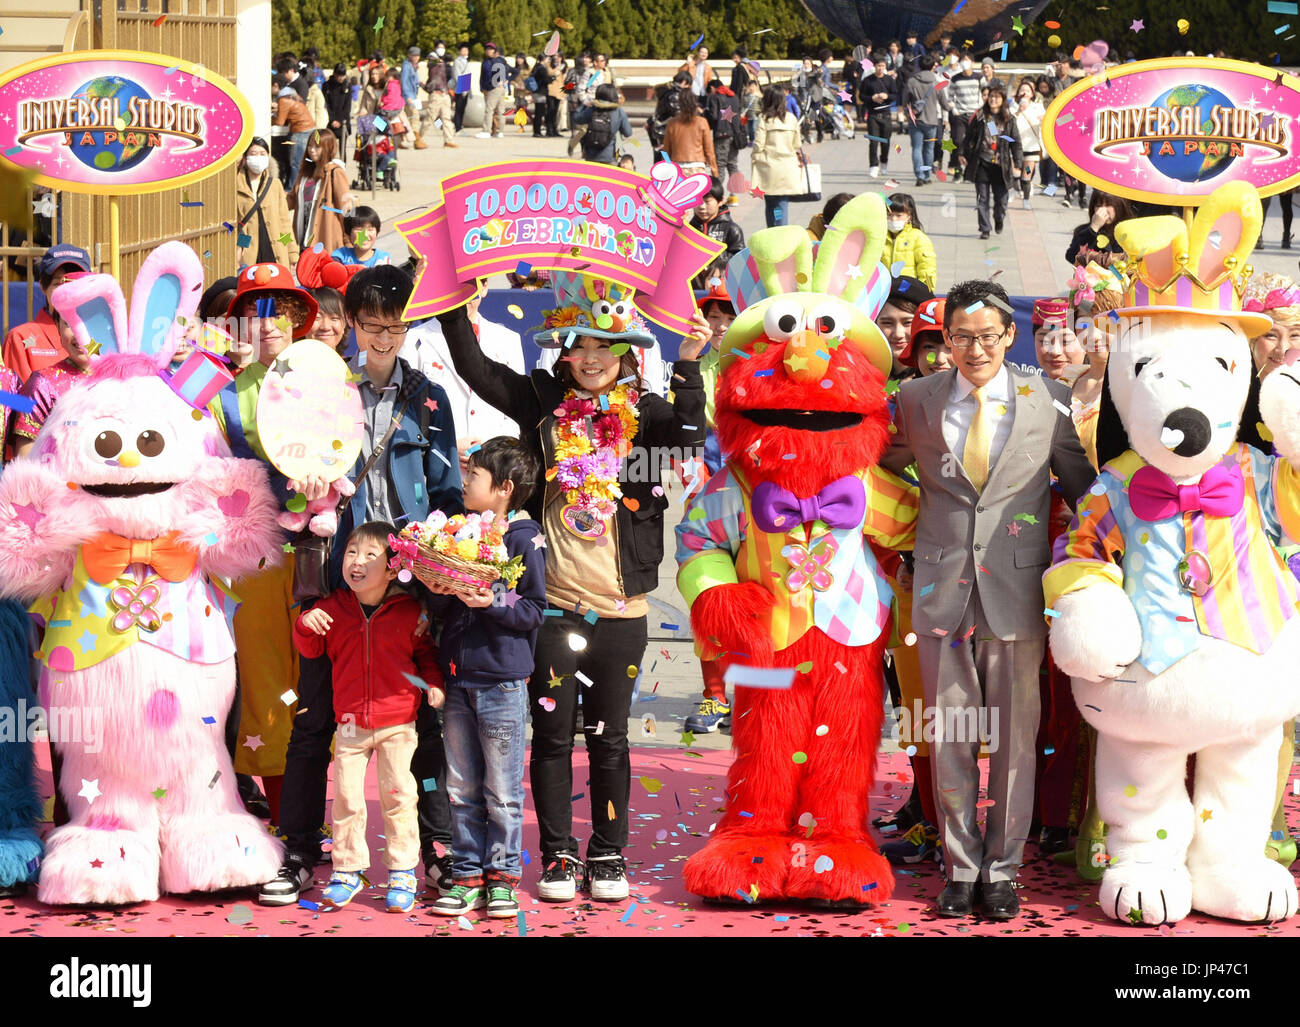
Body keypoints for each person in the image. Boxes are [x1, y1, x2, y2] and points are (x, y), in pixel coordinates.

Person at [435, 274, 708, 903]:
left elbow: (691, 440)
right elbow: (478, 371)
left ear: (627, 354)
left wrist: (690, 367)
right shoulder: (542, 404)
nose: (591, 359)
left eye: (606, 347)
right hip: (556, 610)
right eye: (580, 346)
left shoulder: (648, 416)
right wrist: (454, 308)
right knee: (552, 737)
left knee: (610, 739)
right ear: (565, 351)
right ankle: (559, 856)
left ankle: (607, 854)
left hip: (623, 608)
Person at [881, 278, 1094, 921]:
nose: (974, 349)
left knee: (1013, 740)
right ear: (944, 339)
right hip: (940, 588)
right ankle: (961, 866)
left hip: (1016, 589)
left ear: (1009, 337)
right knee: (949, 733)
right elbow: (883, 466)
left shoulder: (1045, 399)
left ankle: (1002, 869)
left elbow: (1080, 482)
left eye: (987, 336)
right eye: (961, 337)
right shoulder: (914, 400)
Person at [260, 265, 463, 907]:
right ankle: (299, 847)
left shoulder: (429, 398)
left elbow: (448, 492)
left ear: (409, 324)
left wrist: (441, 568)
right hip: (336, 582)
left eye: (394, 326)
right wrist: (308, 500)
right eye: (371, 325)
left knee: (425, 720)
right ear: (351, 324)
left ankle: (436, 851)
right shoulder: (324, 391)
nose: (382, 338)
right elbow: (285, 479)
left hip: (409, 585)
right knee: (314, 716)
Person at [207, 265, 319, 828]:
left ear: (301, 319)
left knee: (321, 688)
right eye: (255, 311)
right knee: (268, 687)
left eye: (281, 310)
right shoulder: (217, 392)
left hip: (327, 558)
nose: (268, 322)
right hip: (254, 560)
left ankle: (326, 815)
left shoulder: (333, 378)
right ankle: (285, 817)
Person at [293, 521, 444, 913]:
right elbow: (309, 650)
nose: (356, 561)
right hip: (349, 726)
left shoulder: (410, 611)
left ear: (394, 568)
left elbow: (425, 654)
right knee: (345, 798)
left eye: (369, 555)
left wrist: (432, 683)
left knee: (399, 798)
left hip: (398, 724)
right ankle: (347, 869)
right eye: (351, 552)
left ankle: (402, 871)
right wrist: (304, 624)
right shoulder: (333, 607)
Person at [427, 439, 545, 917]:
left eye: (473, 475)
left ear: (503, 489)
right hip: (457, 679)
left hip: (501, 680)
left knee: (502, 790)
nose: (464, 482)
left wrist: (492, 601)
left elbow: (534, 609)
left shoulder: (523, 538)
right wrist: (438, 589)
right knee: (460, 786)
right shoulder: (459, 531)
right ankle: (466, 875)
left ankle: (502, 878)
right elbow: (446, 603)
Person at [682, 283, 738, 734]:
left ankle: (761, 696)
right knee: (709, 596)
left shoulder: (760, 364)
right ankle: (714, 697)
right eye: (712, 316)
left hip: (761, 498)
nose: (720, 326)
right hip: (706, 497)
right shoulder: (690, 367)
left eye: (728, 316)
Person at [399, 291, 526, 448]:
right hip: (438, 459)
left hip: (494, 462)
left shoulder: (508, 339)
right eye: (456, 289)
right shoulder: (414, 338)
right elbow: (406, 407)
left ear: (484, 287)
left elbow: (517, 409)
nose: (464, 298)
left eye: (470, 289)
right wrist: (444, 445)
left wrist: (494, 449)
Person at [1, 243, 90, 382]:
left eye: (74, 283)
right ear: (43, 286)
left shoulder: (103, 333)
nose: (66, 291)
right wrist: (45, 398)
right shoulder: (19, 338)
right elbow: (8, 398)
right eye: (57, 284)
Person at [11, 304, 92, 457]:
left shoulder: (124, 379)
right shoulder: (43, 383)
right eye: (69, 323)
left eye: (89, 322)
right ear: (58, 329)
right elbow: (25, 455)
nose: (80, 334)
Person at [959, 84, 1022, 240]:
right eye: (991, 96)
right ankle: (985, 228)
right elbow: (968, 137)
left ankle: (999, 218)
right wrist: (962, 153)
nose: (993, 100)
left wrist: (1018, 164)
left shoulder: (1009, 119)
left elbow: (1016, 143)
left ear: (1002, 100)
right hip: (982, 163)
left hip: (1001, 166)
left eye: (996, 97)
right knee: (982, 198)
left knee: (1001, 201)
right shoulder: (980, 117)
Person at [235, 138, 297, 267]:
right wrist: (240, 247)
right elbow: (238, 223)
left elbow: (284, 222)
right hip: (248, 251)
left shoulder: (275, 184)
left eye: (262, 154)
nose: (258, 157)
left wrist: (291, 253)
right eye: (253, 153)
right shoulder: (235, 185)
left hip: (275, 250)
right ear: (245, 157)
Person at [289, 131, 353, 254]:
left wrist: (348, 239)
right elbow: (292, 199)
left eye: (317, 147)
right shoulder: (305, 172)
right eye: (310, 146)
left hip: (325, 237)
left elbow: (346, 209)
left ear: (328, 148)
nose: (312, 150)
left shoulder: (335, 172)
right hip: (304, 238)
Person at [751, 86, 803, 228]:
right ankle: (780, 228)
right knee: (781, 202)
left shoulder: (764, 118)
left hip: (768, 166)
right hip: (787, 167)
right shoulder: (791, 118)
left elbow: (759, 144)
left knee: (771, 202)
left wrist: (755, 158)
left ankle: (774, 230)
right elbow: (797, 143)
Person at [689, 178, 745, 290]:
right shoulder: (690, 228)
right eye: (697, 201)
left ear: (720, 201)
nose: (702, 206)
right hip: (693, 288)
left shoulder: (731, 229)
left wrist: (721, 262)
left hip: (721, 288)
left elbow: (740, 259)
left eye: (707, 201)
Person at [876, 275, 934, 380]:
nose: (898, 334)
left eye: (907, 322)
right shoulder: (858, 371)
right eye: (887, 323)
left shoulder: (941, 373)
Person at [882, 193, 937, 291]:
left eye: (899, 215)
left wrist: (926, 293)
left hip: (908, 292)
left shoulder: (918, 238)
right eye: (890, 215)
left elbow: (927, 269)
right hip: (883, 292)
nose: (893, 219)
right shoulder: (879, 237)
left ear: (909, 216)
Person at [1065, 190, 1132, 266]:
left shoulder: (1128, 234)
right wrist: (1093, 229)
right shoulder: (1083, 231)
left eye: (1108, 205)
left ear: (1119, 206)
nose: (1102, 210)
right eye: (1099, 205)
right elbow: (1071, 257)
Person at [903, 54, 941, 186]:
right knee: (929, 149)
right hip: (931, 120)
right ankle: (927, 175)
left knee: (917, 148)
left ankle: (919, 176)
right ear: (932, 66)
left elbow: (905, 101)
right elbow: (944, 102)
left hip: (916, 120)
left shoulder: (912, 81)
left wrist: (908, 114)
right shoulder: (936, 81)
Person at [662, 89, 717, 177]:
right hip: (697, 167)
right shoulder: (702, 122)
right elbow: (709, 151)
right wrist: (714, 172)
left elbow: (666, 151)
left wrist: (667, 168)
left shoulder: (672, 123)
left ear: (679, 103)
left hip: (677, 168)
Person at [274, 75, 316, 190]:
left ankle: (291, 189)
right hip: (309, 128)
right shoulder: (292, 94)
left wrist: (271, 117)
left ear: (276, 86)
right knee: (302, 161)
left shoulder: (283, 99)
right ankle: (299, 187)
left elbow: (280, 122)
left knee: (295, 163)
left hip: (300, 131)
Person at [860, 56, 899, 177]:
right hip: (873, 114)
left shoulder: (889, 80)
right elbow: (861, 96)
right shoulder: (867, 80)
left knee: (885, 141)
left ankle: (884, 162)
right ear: (874, 67)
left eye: (882, 66)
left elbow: (895, 95)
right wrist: (872, 98)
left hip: (886, 114)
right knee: (873, 141)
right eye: (878, 66)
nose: (880, 68)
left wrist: (886, 96)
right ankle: (873, 165)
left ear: (885, 67)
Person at [576, 83, 633, 166]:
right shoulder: (618, 111)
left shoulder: (592, 109)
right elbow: (628, 132)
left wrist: (583, 105)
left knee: (592, 178)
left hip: (591, 155)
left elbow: (578, 119)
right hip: (609, 156)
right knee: (608, 179)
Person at [703, 78, 745, 187]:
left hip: (721, 135)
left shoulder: (714, 97)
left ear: (712, 88)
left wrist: (704, 115)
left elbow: (713, 116)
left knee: (720, 165)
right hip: (735, 135)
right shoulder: (734, 97)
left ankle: (717, 194)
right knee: (732, 164)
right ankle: (734, 195)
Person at [945, 54, 981, 175]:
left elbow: (983, 95)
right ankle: (956, 166)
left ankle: (971, 168)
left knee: (974, 142)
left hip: (975, 114)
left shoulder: (979, 78)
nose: (965, 62)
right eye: (963, 60)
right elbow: (949, 97)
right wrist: (954, 108)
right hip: (960, 113)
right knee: (957, 140)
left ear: (972, 62)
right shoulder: (955, 79)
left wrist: (980, 109)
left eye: (967, 60)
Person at [1011, 79, 1045, 210]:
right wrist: (1019, 110)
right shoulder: (1012, 106)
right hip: (1015, 147)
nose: (1024, 92)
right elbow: (1008, 121)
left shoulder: (1038, 107)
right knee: (1014, 173)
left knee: (1026, 175)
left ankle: (1026, 200)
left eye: (1027, 90)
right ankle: (1014, 191)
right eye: (1022, 90)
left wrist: (1042, 119)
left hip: (1031, 148)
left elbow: (1044, 122)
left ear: (1032, 93)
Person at [478, 42, 510, 139]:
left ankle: (487, 131)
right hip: (488, 88)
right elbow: (482, 76)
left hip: (494, 88)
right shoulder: (485, 61)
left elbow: (507, 71)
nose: (489, 51)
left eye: (491, 49)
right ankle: (498, 131)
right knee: (499, 110)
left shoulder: (497, 61)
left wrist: (504, 80)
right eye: (487, 49)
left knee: (491, 110)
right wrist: (482, 87)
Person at [401, 46, 428, 149]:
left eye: (418, 55)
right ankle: (417, 141)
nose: (416, 57)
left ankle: (401, 140)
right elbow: (404, 82)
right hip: (409, 96)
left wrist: (421, 83)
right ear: (409, 55)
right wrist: (407, 96)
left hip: (413, 95)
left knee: (408, 119)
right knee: (415, 117)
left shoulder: (414, 66)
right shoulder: (407, 66)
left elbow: (414, 81)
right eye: (414, 55)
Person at [308, 286, 349, 353]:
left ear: (345, 324)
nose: (325, 327)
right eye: (317, 318)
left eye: (334, 318)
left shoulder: (353, 363)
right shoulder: (288, 362)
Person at [323, 63, 352, 150]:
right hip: (330, 121)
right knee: (329, 149)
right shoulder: (327, 86)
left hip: (343, 122)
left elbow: (347, 106)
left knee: (342, 150)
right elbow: (326, 104)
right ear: (335, 74)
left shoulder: (347, 86)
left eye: (343, 75)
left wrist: (340, 120)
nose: (341, 78)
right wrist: (332, 120)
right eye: (339, 75)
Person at [528, 54, 552, 138]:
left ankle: (536, 131)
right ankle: (537, 132)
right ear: (544, 59)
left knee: (538, 112)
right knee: (539, 113)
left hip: (535, 91)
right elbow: (547, 80)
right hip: (541, 92)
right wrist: (553, 77)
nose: (548, 61)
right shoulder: (542, 69)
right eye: (547, 59)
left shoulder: (536, 67)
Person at [452, 43, 472, 133]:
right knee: (458, 108)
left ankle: (460, 124)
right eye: (463, 50)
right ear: (459, 51)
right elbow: (457, 76)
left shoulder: (466, 61)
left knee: (463, 108)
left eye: (466, 50)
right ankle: (457, 126)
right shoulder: (457, 61)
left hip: (466, 87)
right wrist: (463, 89)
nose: (465, 52)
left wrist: (469, 90)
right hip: (460, 88)